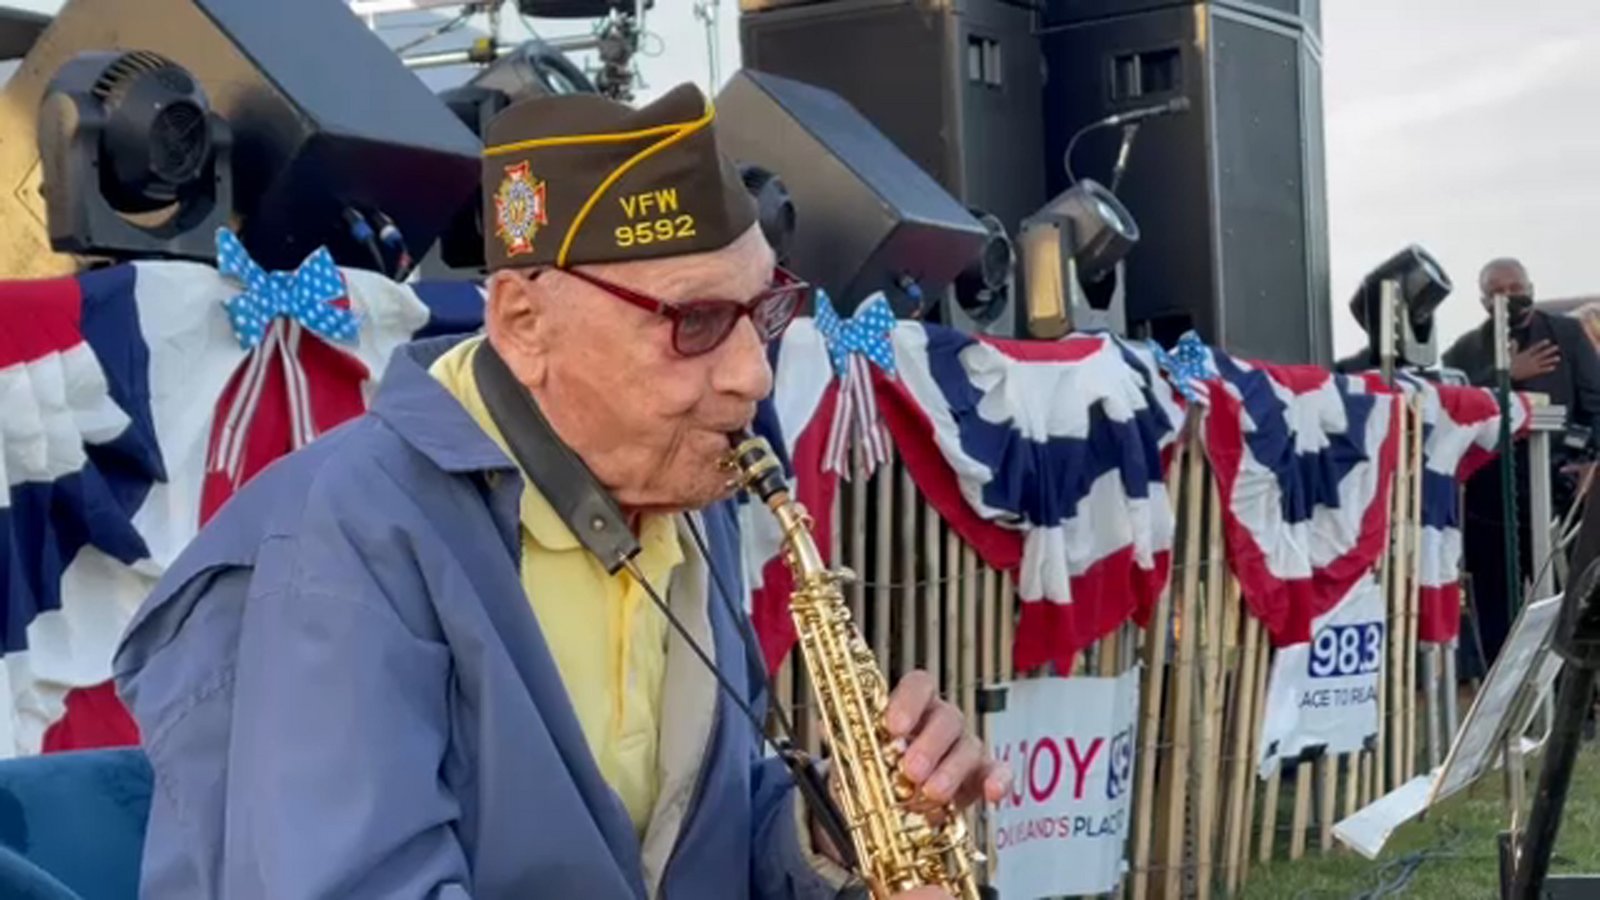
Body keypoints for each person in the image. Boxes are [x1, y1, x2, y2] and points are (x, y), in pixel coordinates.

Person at [112, 83, 1008, 900]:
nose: (752, 376)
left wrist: (836, 824)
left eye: (763, 313)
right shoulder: (342, 538)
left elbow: (697, 835)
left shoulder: (690, 503)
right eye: (695, 322)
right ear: (524, 323)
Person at [1442, 257, 1600, 668]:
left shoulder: (1566, 335)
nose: (1510, 298)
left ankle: (1572, 707)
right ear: (1483, 300)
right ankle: (1502, 708)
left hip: (1560, 494)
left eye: (1517, 288)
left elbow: (1595, 405)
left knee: (1568, 602)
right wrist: (1505, 375)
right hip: (1491, 503)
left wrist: (1589, 462)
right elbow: (1452, 412)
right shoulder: (1464, 351)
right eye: (1499, 291)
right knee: (1497, 611)